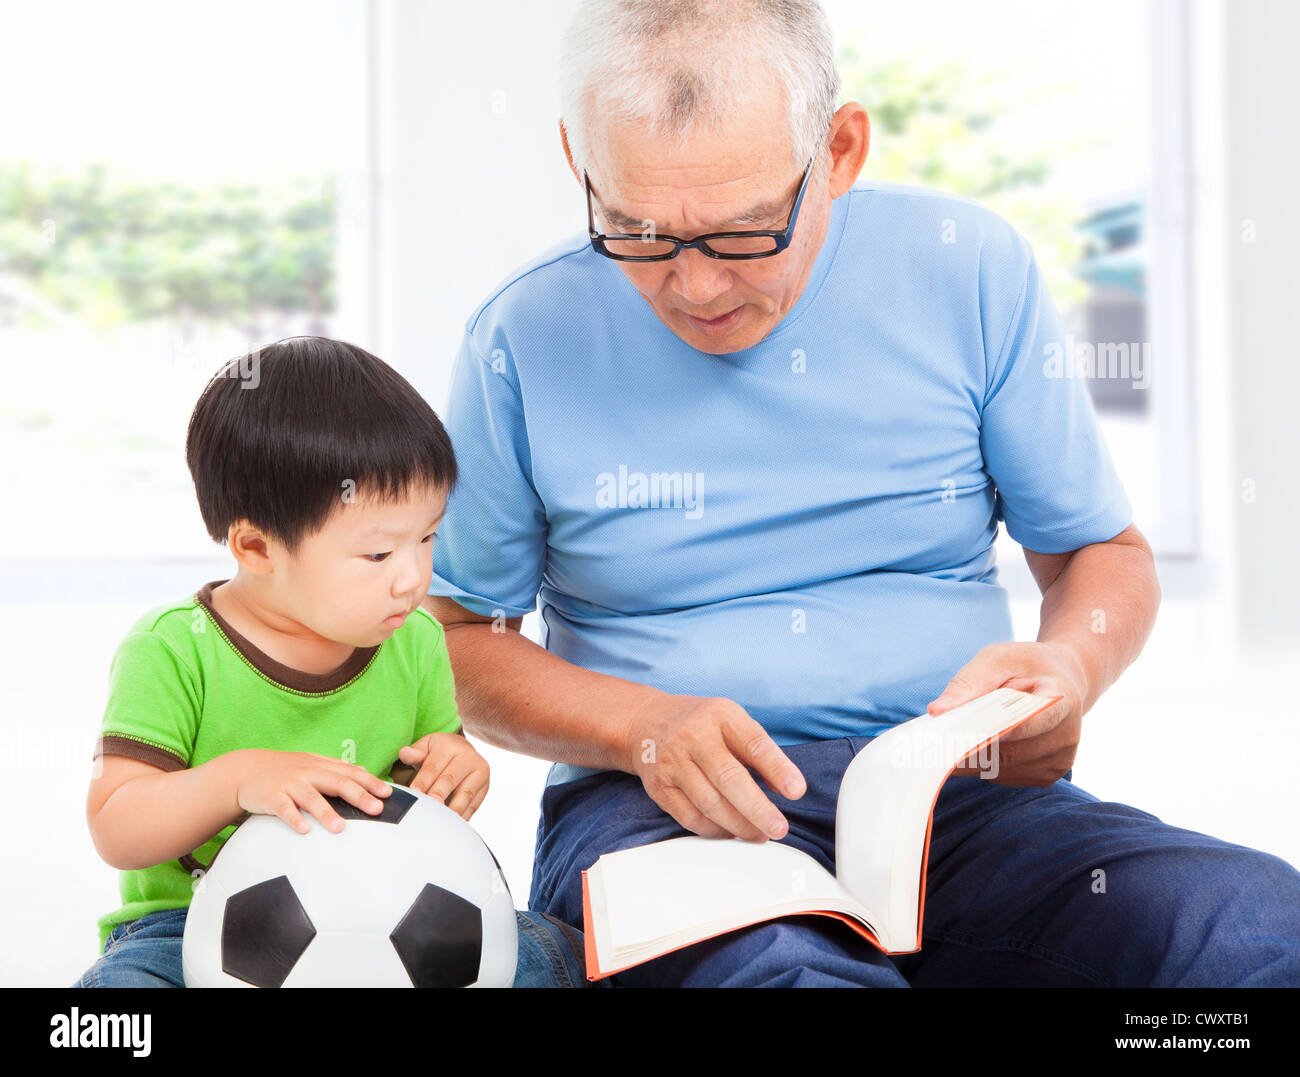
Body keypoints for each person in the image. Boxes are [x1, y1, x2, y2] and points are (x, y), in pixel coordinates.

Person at [421, 0, 1300, 986]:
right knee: (775, 979)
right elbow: (458, 639)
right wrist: (640, 727)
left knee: (1254, 932)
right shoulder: (521, 334)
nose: (696, 285)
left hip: (957, 796)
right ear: (578, 161)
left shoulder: (967, 268)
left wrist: (1069, 671)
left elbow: (1102, 555)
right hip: (653, 805)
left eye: (745, 232)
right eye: (637, 231)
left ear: (838, 152)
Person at [74, 336, 589, 988]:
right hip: (193, 922)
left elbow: (417, 795)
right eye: (378, 555)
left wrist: (454, 768)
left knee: (549, 954)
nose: (411, 577)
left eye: (426, 537)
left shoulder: (416, 640)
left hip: (380, 904)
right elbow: (118, 823)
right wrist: (238, 779)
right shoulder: (173, 650)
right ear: (257, 545)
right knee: (118, 995)